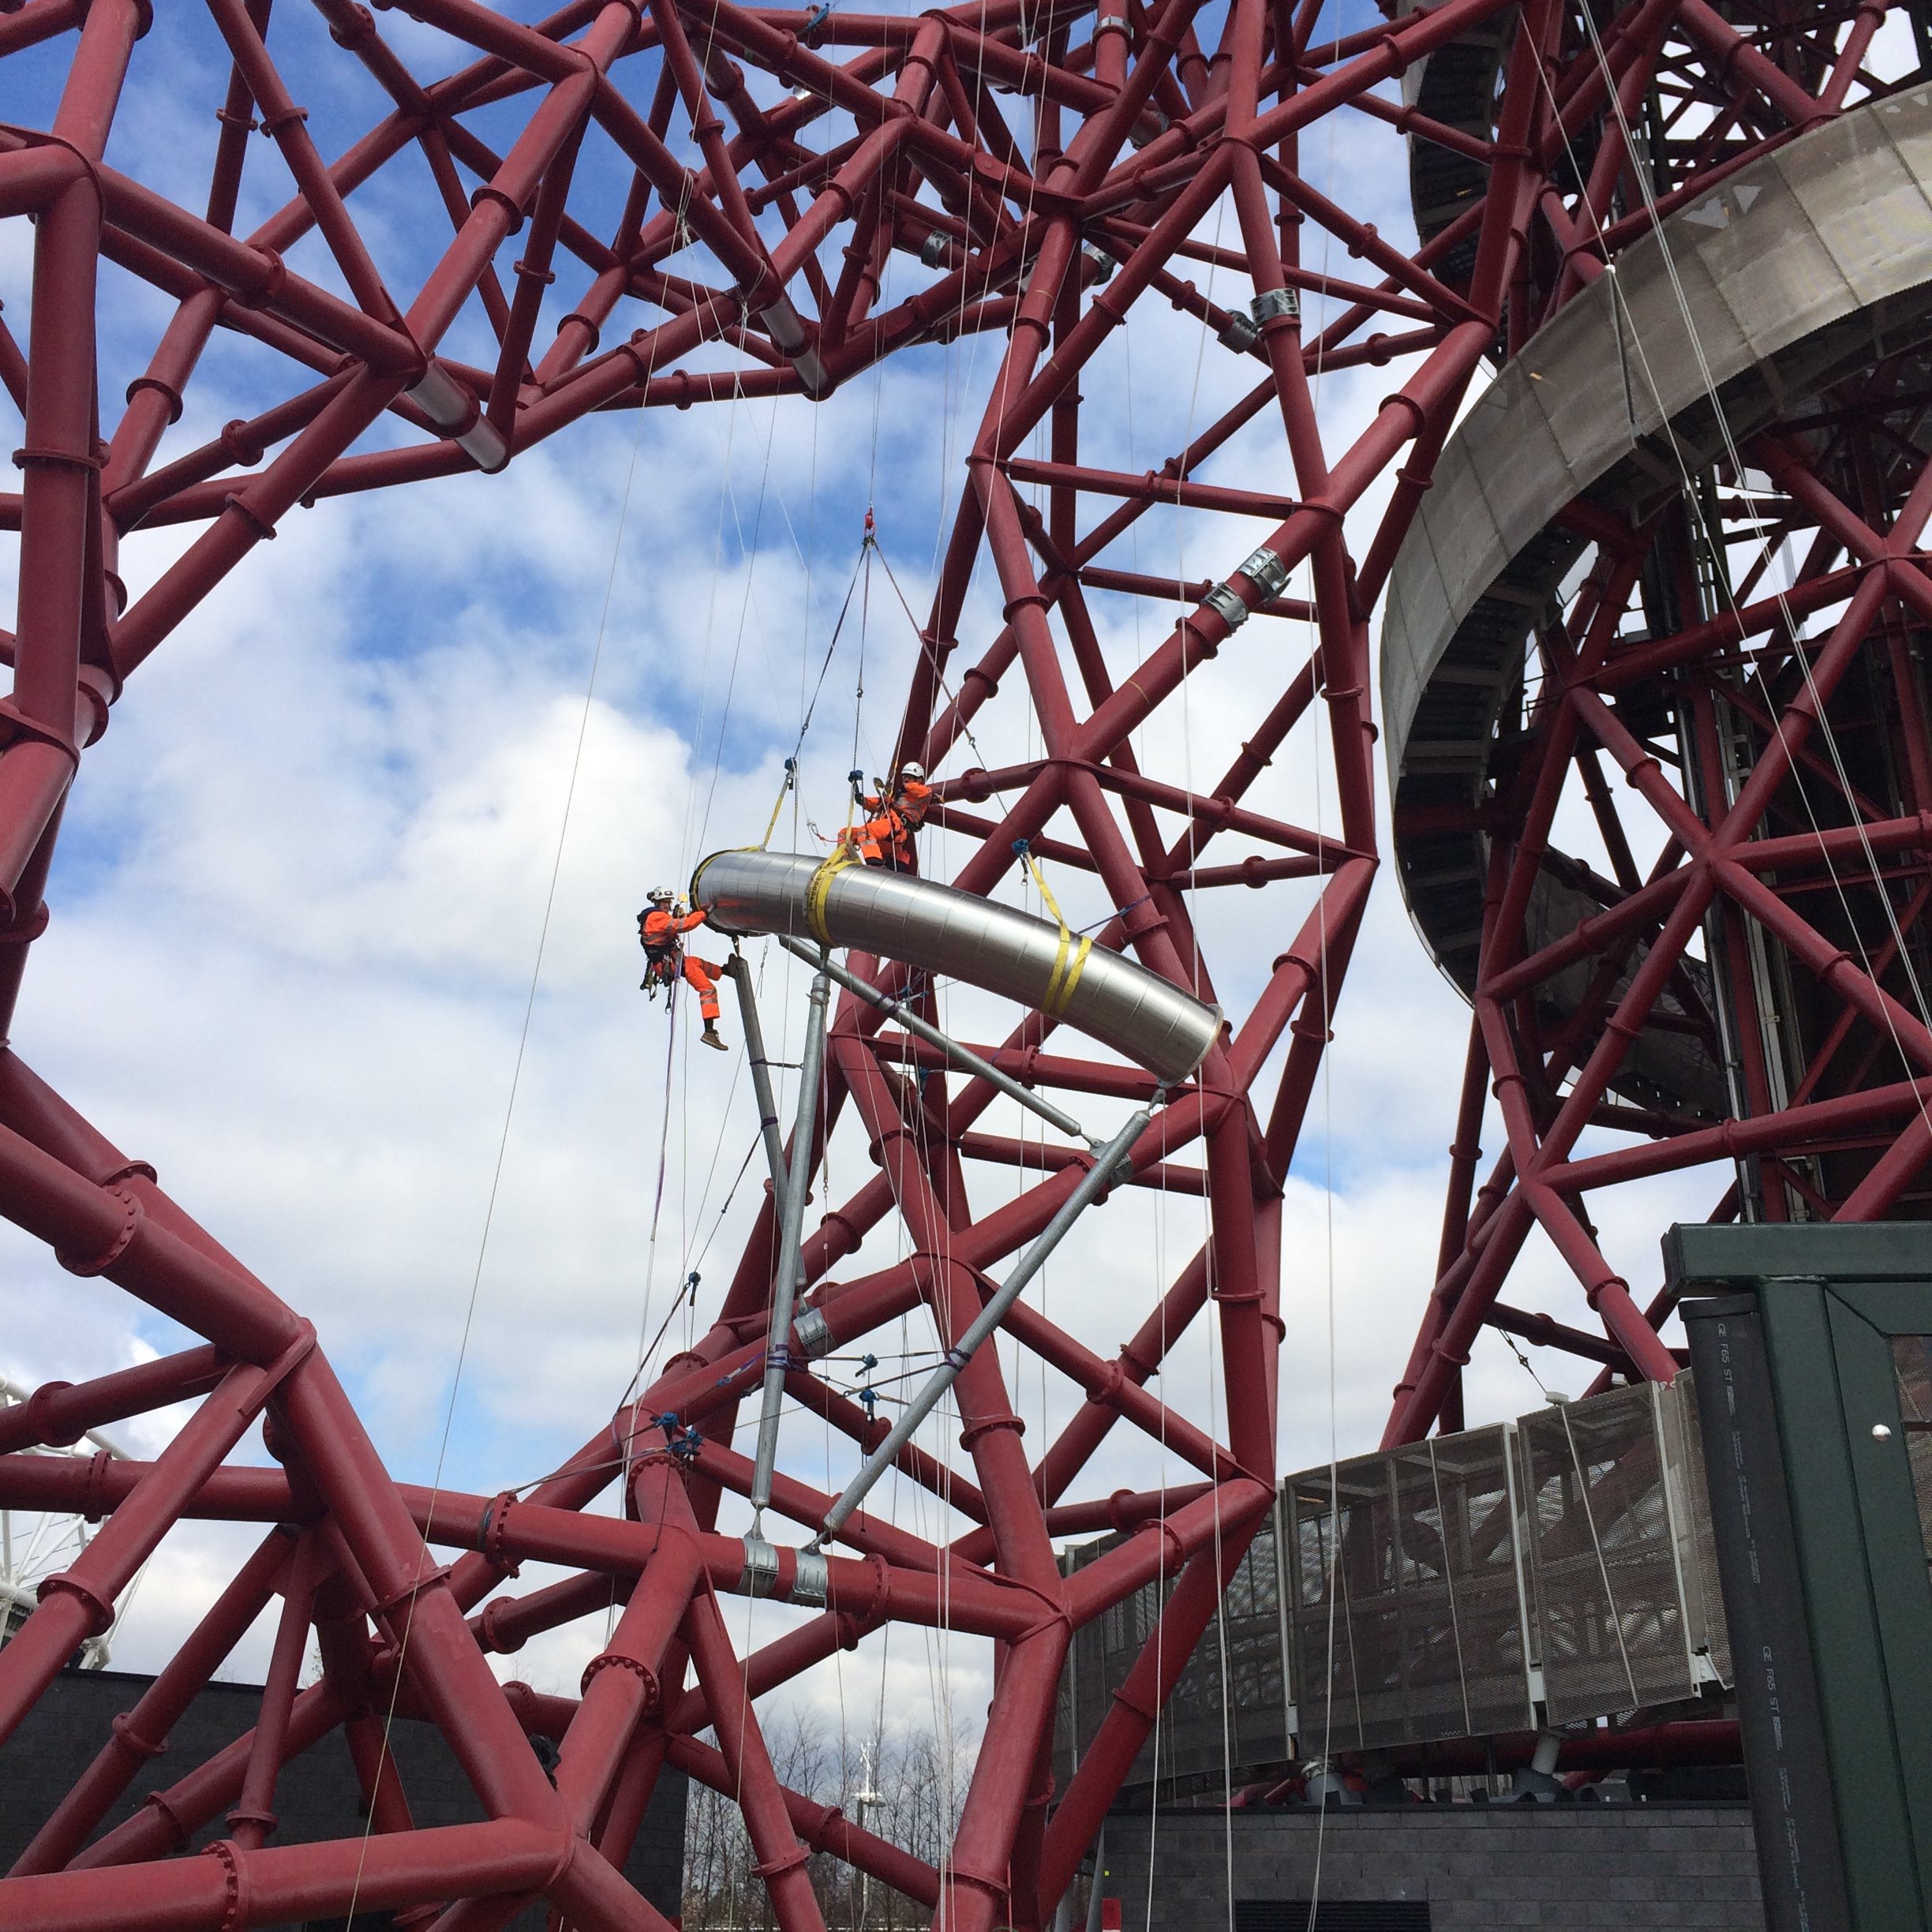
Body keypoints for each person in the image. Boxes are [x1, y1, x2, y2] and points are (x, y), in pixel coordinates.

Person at [638, 888, 728, 1050]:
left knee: (696, 963)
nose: (668, 905)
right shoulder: (656, 917)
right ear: (657, 903)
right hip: (669, 964)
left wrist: (695, 913)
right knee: (708, 989)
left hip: (671, 961)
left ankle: (725, 971)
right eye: (665, 903)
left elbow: (678, 922)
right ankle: (710, 1031)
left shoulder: (656, 917)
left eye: (669, 902)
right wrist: (704, 913)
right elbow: (683, 925)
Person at [855, 761, 933, 873]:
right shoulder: (898, 797)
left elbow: (922, 791)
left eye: (909, 777)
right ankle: (845, 860)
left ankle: (875, 866)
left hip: (897, 828)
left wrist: (903, 787)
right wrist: (863, 800)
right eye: (904, 777)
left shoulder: (923, 794)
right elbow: (878, 803)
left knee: (866, 831)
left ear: (919, 780)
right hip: (886, 831)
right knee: (846, 833)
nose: (905, 780)